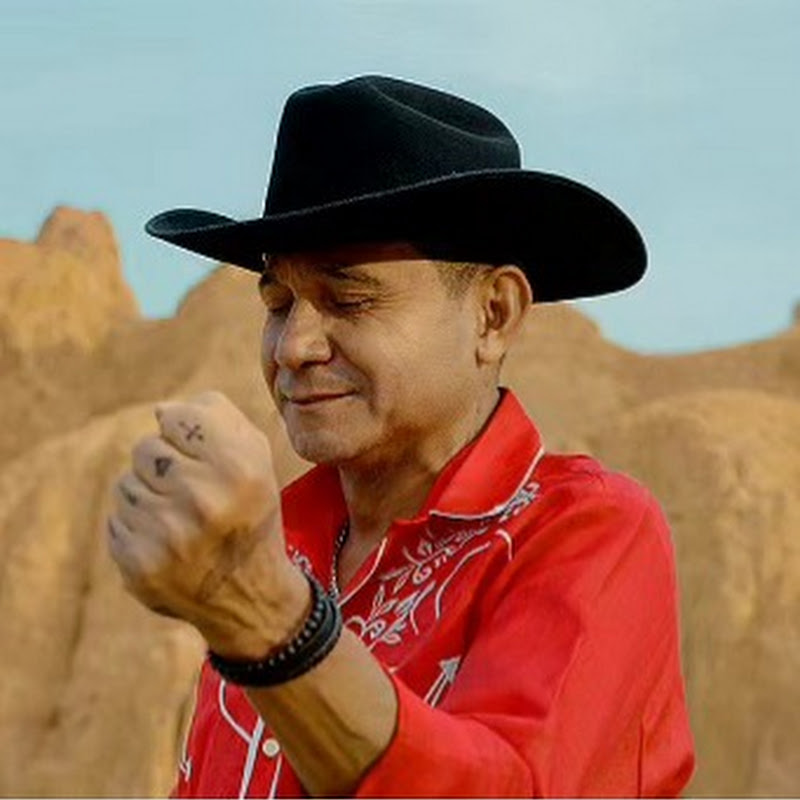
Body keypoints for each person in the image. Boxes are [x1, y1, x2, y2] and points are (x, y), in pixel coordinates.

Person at [108, 75, 695, 797]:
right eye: (279, 303)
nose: (293, 346)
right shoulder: (277, 545)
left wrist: (267, 621)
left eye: (349, 299)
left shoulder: (585, 529)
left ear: (493, 315)